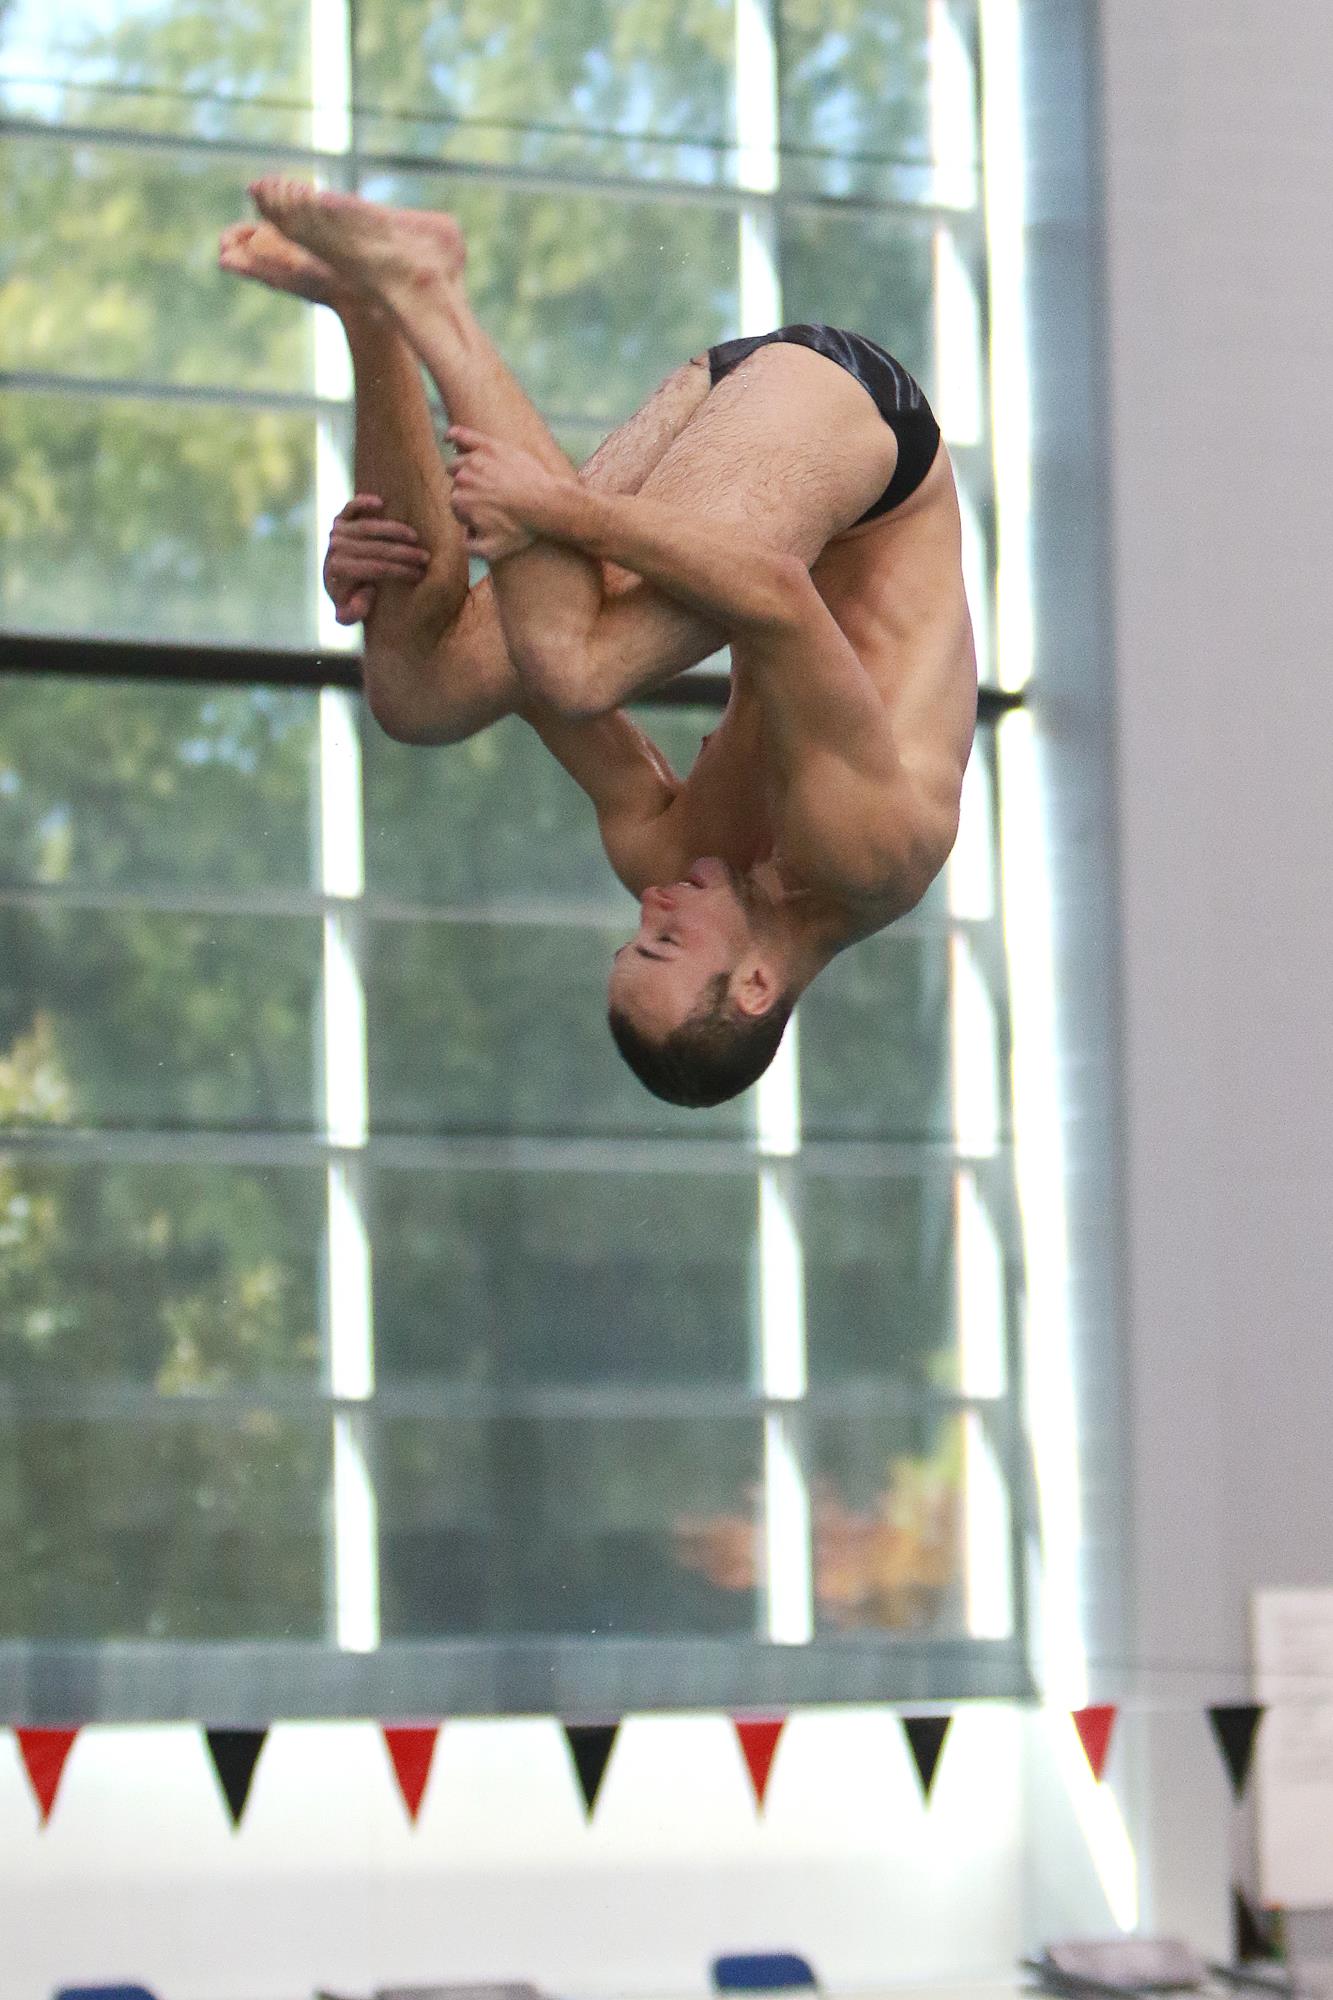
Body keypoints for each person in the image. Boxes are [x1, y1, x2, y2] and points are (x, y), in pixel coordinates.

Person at [219, 181, 978, 1107]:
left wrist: (387, 580)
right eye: (663, 941)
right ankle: (428, 290)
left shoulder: (670, 863)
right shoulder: (865, 855)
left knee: (418, 694)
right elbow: (777, 596)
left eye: (635, 936)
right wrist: (573, 513)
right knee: (586, 661)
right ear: (751, 987)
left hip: (735, 421)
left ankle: (370, 316)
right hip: (856, 424)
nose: (649, 907)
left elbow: (519, 670)